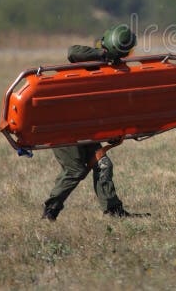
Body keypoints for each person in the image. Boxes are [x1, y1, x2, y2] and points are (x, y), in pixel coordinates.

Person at [41, 26, 146, 221]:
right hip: (62, 124)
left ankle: (114, 211)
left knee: (103, 165)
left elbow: (105, 109)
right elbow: (72, 51)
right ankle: (50, 212)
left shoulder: (115, 72)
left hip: (84, 126)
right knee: (76, 170)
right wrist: (102, 55)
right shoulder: (91, 60)